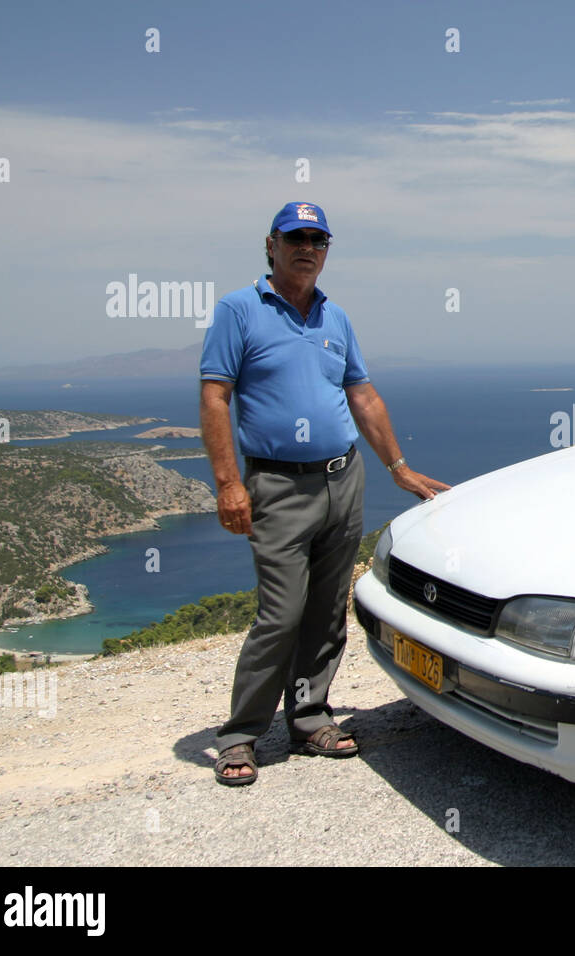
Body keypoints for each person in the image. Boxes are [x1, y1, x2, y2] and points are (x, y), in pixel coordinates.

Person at [200, 201, 449, 786]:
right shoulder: (239, 310)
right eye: (296, 238)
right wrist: (229, 483)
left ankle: (310, 718)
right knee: (281, 614)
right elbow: (216, 397)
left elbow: (362, 395)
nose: (307, 247)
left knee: (326, 611)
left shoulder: (335, 318)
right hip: (278, 485)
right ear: (271, 244)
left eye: (318, 239)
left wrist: (399, 467)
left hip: (344, 478)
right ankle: (241, 735)